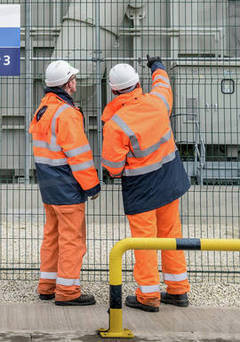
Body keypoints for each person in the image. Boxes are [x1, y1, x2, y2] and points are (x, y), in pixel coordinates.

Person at [100, 57, 191, 311]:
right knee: (171, 236)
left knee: (144, 241)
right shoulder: (158, 101)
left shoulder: (116, 124)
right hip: (170, 181)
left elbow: (113, 168)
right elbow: (163, 84)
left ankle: (148, 296)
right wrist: (157, 66)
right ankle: (178, 290)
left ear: (113, 90)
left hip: (142, 189)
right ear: (138, 83)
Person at [30, 59, 101, 306]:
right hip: (66, 186)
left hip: (48, 186)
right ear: (68, 83)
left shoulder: (43, 110)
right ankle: (68, 292)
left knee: (52, 236)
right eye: (74, 79)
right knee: (72, 239)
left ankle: (47, 286)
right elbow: (79, 156)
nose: (76, 83)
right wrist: (92, 186)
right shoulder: (67, 114)